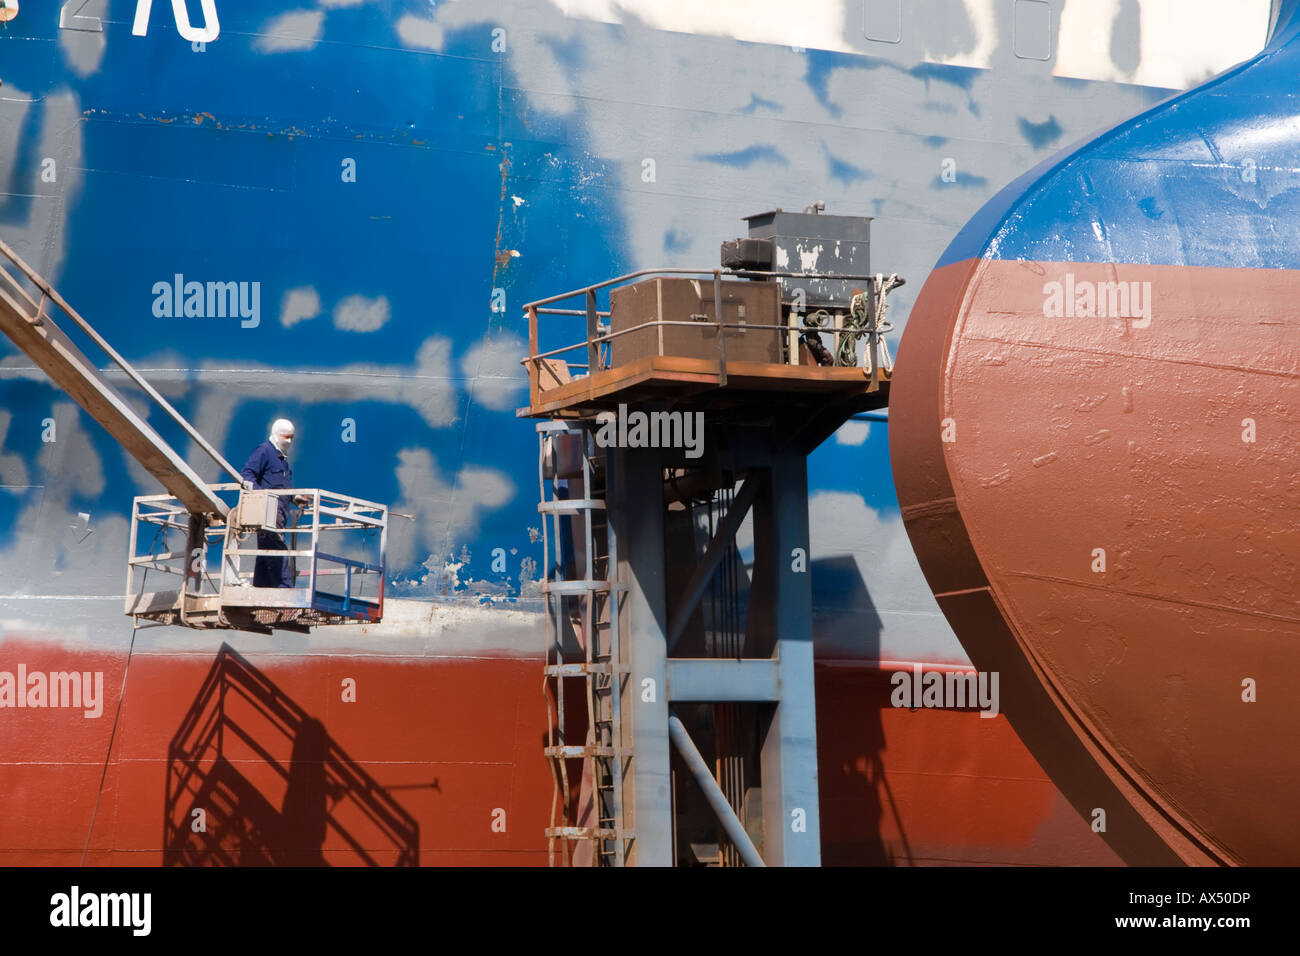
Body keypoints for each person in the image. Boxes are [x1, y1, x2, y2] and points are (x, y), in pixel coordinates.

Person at [239, 419, 306, 588]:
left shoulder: (282, 460)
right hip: (267, 515)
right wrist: (262, 498)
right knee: (277, 552)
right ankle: (285, 593)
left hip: (280, 516)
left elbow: (279, 486)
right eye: (286, 437)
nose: (289, 442)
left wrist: (294, 497)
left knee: (265, 554)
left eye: (292, 438)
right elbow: (247, 475)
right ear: (276, 434)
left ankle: (259, 591)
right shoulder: (264, 451)